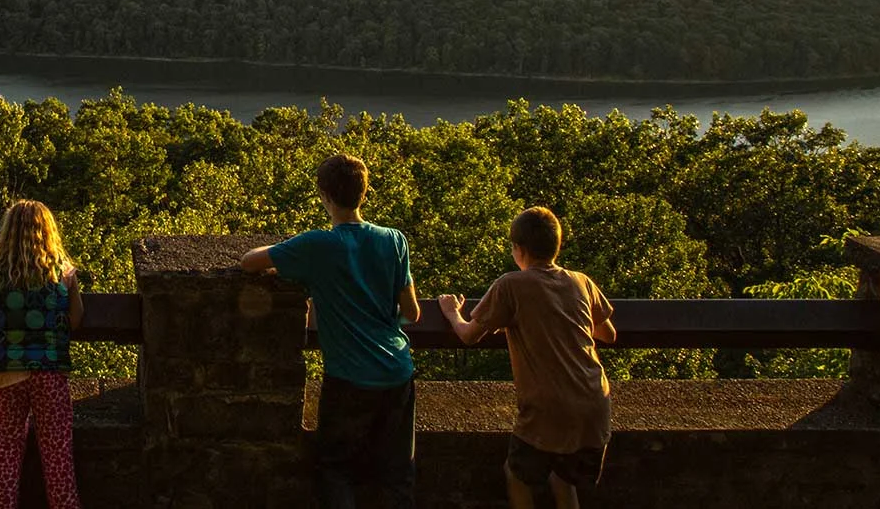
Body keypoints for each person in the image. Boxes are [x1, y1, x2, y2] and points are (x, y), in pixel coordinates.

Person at [240, 153, 420, 509]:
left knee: (335, 470)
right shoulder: (394, 241)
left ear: (324, 195)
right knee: (397, 474)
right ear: (364, 194)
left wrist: (292, 257)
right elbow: (411, 313)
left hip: (349, 378)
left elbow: (249, 262)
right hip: (398, 373)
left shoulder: (318, 245)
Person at [437, 206, 617, 509]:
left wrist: (452, 313)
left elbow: (469, 335)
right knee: (563, 478)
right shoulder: (581, 281)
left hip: (547, 409)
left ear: (518, 250)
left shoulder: (511, 284)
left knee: (517, 473)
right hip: (593, 402)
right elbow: (608, 333)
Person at [0, 200, 85, 509]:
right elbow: (76, 319)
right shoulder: (62, 270)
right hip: (50, 372)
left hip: (6, 373)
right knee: (58, 461)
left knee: (4, 458)